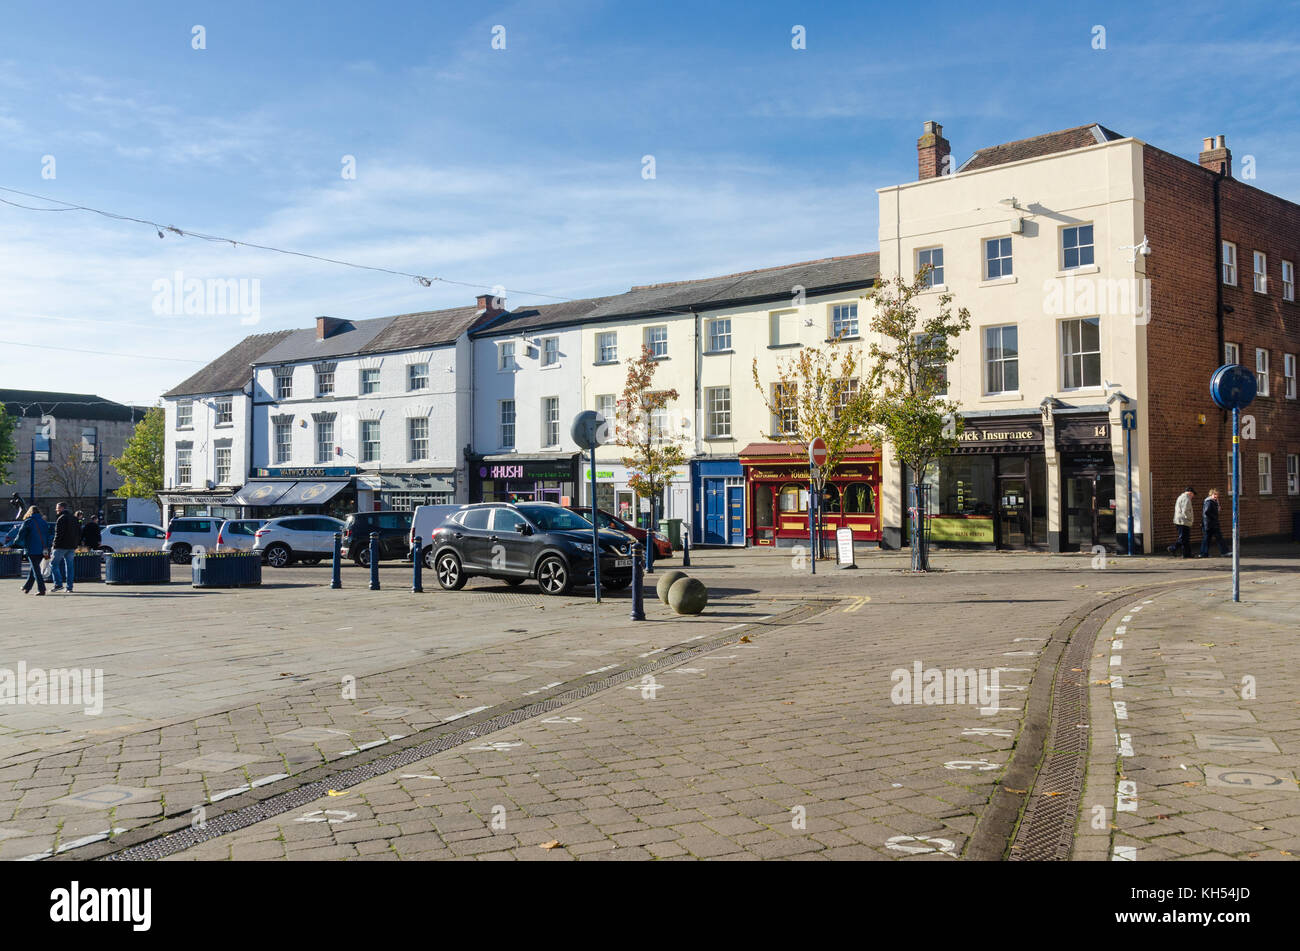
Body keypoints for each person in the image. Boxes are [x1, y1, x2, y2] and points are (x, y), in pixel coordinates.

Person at [14, 506, 49, 595]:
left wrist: (15, 543)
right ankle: (27, 587)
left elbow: (21, 534)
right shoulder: (44, 522)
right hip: (43, 549)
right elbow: (48, 535)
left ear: (30, 512)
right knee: (34, 568)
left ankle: (42, 589)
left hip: (32, 549)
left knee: (36, 570)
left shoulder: (28, 522)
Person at [49, 502, 80, 593]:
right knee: (70, 566)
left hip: (61, 546)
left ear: (62, 508)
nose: (56, 510)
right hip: (72, 546)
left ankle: (58, 584)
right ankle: (69, 587)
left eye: (57, 508)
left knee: (53, 564)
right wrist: (76, 544)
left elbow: (58, 534)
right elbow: (78, 533)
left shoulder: (61, 519)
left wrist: (54, 545)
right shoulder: (74, 518)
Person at [1200, 488, 1229, 557]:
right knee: (1218, 538)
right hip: (1211, 524)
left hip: (1210, 524)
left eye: (1217, 494)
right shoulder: (1209, 502)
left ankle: (1203, 553)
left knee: (1207, 539)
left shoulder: (1213, 501)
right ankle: (1224, 552)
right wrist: (1214, 517)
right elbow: (1206, 512)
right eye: (1215, 494)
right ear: (1211, 494)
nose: (1216, 496)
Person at [1168, 486, 1195, 558]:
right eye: (1193, 494)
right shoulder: (1186, 498)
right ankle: (1172, 548)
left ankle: (1186, 554)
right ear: (1190, 492)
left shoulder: (1180, 497)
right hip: (1183, 521)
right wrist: (1190, 519)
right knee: (1183, 538)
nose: (1193, 496)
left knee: (1185, 538)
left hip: (1179, 520)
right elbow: (1185, 510)